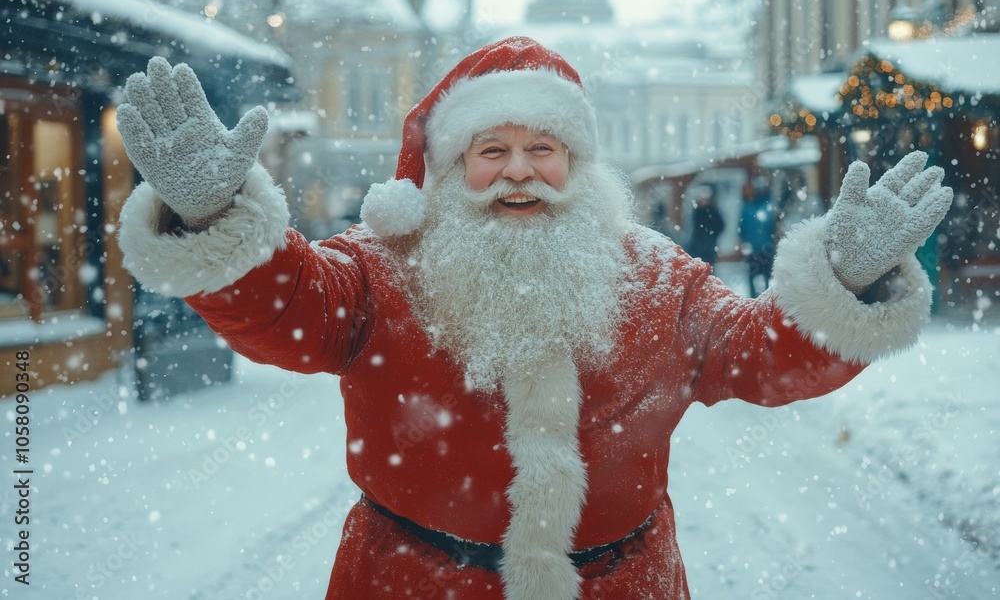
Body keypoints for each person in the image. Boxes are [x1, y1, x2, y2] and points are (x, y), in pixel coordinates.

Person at [115, 37, 952, 600]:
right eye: (492, 151)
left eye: (543, 148)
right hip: (408, 579)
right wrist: (212, 216)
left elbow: (760, 355)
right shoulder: (382, 263)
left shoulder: (659, 275)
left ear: (577, 162)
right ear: (454, 166)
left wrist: (849, 275)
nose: (521, 172)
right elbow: (288, 307)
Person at [739, 176, 777, 298]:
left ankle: (766, 301)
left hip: (766, 247)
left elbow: (774, 227)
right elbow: (742, 227)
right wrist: (744, 241)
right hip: (753, 248)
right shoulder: (748, 207)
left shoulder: (770, 206)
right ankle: (753, 300)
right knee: (752, 275)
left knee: (767, 276)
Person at [685, 185, 725, 266]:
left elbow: (720, 226)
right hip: (697, 246)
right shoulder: (696, 213)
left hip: (708, 247)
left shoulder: (713, 212)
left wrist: (711, 236)